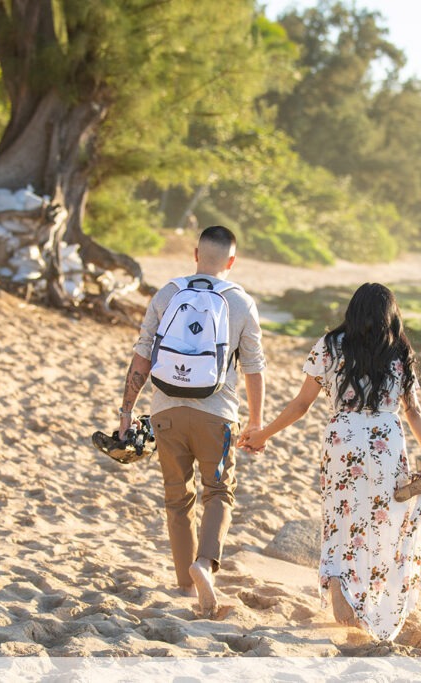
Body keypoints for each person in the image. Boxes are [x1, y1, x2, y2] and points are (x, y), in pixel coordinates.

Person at [239, 282, 421, 641]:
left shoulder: (330, 346)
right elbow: (414, 410)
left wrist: (265, 433)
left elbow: (301, 405)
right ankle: (370, 598)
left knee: (341, 517)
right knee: (383, 520)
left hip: (343, 440)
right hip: (386, 443)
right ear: (391, 315)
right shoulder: (400, 351)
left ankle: (339, 585)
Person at [117, 225, 266, 617]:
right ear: (232, 261)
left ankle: (185, 582)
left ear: (195, 254)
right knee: (217, 492)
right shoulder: (240, 302)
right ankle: (205, 563)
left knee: (176, 497)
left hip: (165, 412)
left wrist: (127, 410)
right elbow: (253, 368)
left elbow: (142, 356)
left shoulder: (168, 293)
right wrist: (255, 422)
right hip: (216, 417)